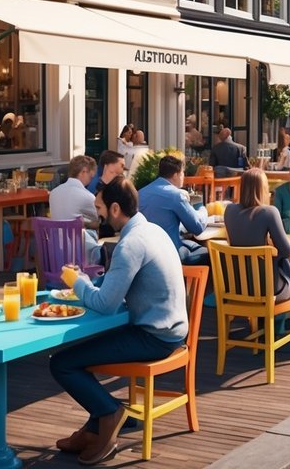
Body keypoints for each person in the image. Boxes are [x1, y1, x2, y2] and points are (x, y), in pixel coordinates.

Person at [49, 178, 188, 464]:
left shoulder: (130, 244)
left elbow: (105, 304)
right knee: (81, 354)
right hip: (169, 329)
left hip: (154, 337)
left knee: (62, 362)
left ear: (114, 208)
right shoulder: (151, 230)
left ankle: (110, 413)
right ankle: (95, 427)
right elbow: (118, 283)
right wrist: (91, 281)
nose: (96, 213)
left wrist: (77, 282)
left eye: (98, 207)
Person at [223, 168, 290, 341]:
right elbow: (287, 251)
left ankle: (280, 323)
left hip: (238, 287)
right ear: (262, 189)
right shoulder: (268, 212)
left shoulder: (230, 211)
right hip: (268, 288)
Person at [137, 154, 208, 264]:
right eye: (182, 173)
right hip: (169, 254)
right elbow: (197, 227)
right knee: (208, 253)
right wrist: (202, 209)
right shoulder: (175, 196)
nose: (183, 176)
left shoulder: (140, 193)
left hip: (144, 253)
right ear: (176, 175)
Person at [49, 155, 104, 265]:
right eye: (90, 177)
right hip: (76, 257)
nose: (90, 181)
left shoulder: (53, 193)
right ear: (84, 171)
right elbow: (101, 220)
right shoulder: (87, 196)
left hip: (54, 253)